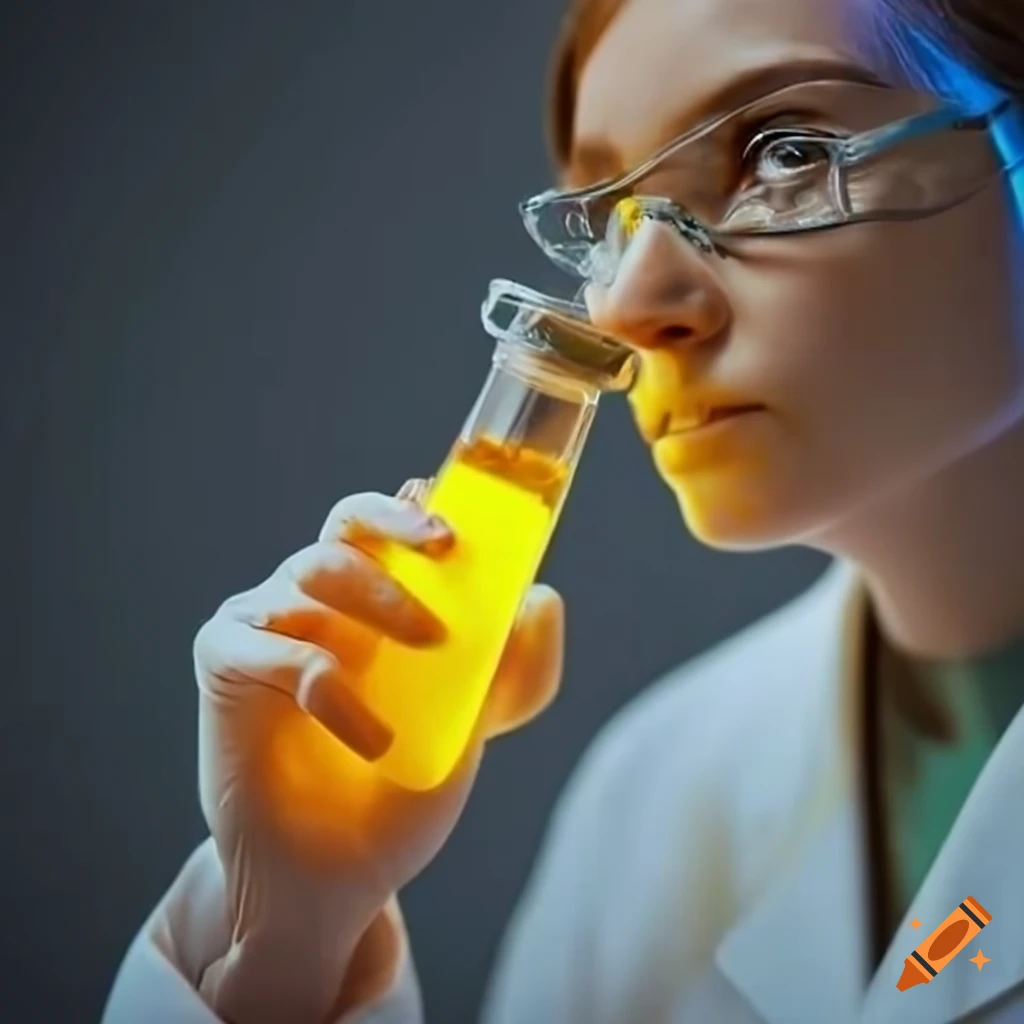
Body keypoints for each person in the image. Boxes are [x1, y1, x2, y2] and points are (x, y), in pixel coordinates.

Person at [103, 0, 1024, 1021]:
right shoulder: (659, 792)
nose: (626, 307)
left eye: (785, 152)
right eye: (607, 219)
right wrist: (291, 938)